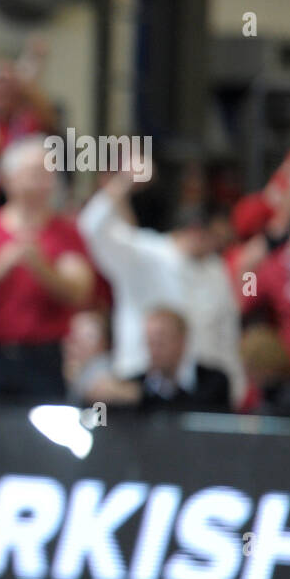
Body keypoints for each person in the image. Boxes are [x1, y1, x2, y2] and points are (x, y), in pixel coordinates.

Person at [78, 163, 245, 406]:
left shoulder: (215, 269)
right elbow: (92, 227)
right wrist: (125, 181)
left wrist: (236, 386)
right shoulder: (147, 253)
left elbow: (226, 332)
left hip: (198, 389)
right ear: (196, 231)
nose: (217, 247)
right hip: (138, 382)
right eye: (214, 238)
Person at [0, 137, 94, 399]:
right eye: (35, 172)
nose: (44, 181)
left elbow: (79, 291)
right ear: (10, 178)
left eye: (49, 173)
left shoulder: (67, 232)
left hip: (45, 356)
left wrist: (41, 267)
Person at [84, 307, 231, 412]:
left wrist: (140, 398)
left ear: (181, 341)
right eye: (150, 342)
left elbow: (190, 410)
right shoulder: (135, 383)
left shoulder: (213, 381)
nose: (154, 350)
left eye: (161, 342)